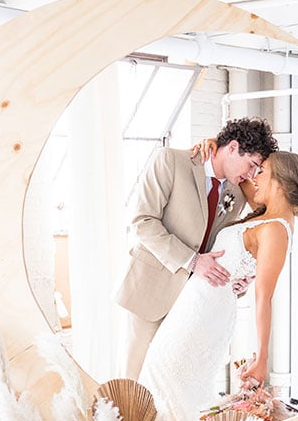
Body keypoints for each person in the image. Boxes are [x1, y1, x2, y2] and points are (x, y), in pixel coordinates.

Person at [138, 149, 298, 421]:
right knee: (164, 379)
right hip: (192, 305)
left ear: (280, 182)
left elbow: (264, 298)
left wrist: (262, 357)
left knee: (167, 379)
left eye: (262, 172)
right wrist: (214, 145)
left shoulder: (277, 229)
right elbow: (233, 171)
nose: (254, 178)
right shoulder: (265, 215)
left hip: (204, 316)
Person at [113, 118, 278, 380]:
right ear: (233, 147)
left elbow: (223, 243)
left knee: (168, 381)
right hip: (150, 290)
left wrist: (238, 279)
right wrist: (192, 261)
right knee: (133, 380)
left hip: (192, 305)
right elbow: (142, 223)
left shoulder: (236, 194)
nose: (251, 175)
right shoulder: (170, 161)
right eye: (251, 165)